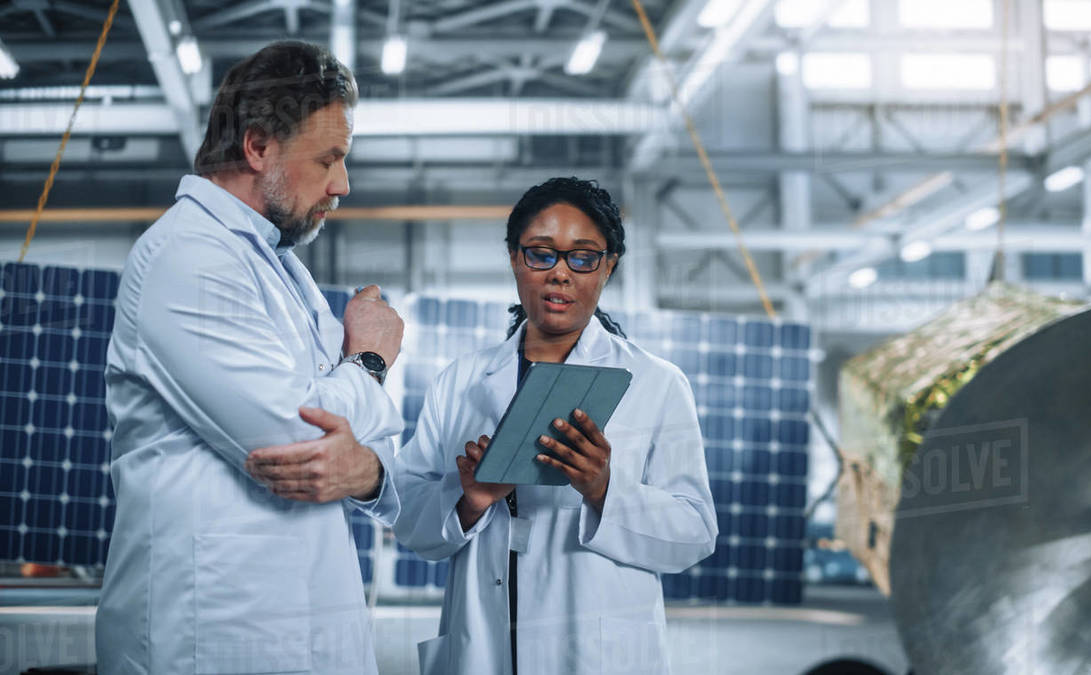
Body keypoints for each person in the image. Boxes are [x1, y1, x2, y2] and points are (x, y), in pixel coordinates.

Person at [98, 42, 405, 673]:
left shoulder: (278, 268)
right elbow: (300, 436)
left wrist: (363, 459)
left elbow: (360, 449)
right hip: (213, 636)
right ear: (258, 147)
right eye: (329, 160)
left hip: (300, 625)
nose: (342, 185)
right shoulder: (189, 258)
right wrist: (370, 360)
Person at [392, 177, 719, 674]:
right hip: (483, 650)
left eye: (583, 257)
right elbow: (407, 518)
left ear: (608, 266)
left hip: (595, 655)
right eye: (540, 254)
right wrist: (469, 502)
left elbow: (694, 533)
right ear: (514, 258)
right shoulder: (459, 382)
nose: (560, 274)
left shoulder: (657, 384)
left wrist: (605, 490)